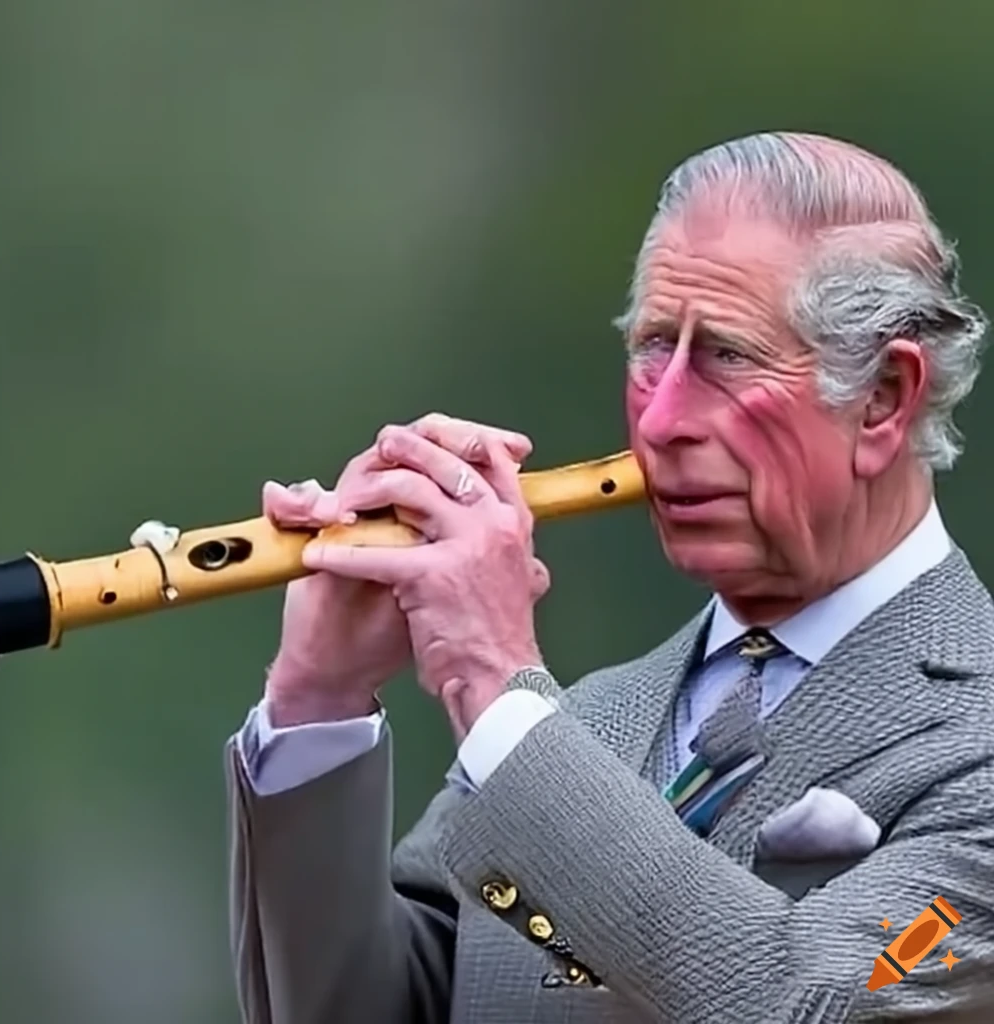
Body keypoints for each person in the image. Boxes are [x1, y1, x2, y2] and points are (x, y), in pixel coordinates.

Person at [224, 132, 994, 1023]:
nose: (661, 420)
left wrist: (486, 672)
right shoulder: (583, 719)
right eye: (655, 346)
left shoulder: (524, 724)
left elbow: (797, 1003)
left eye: (728, 357)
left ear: (884, 399)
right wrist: (320, 698)